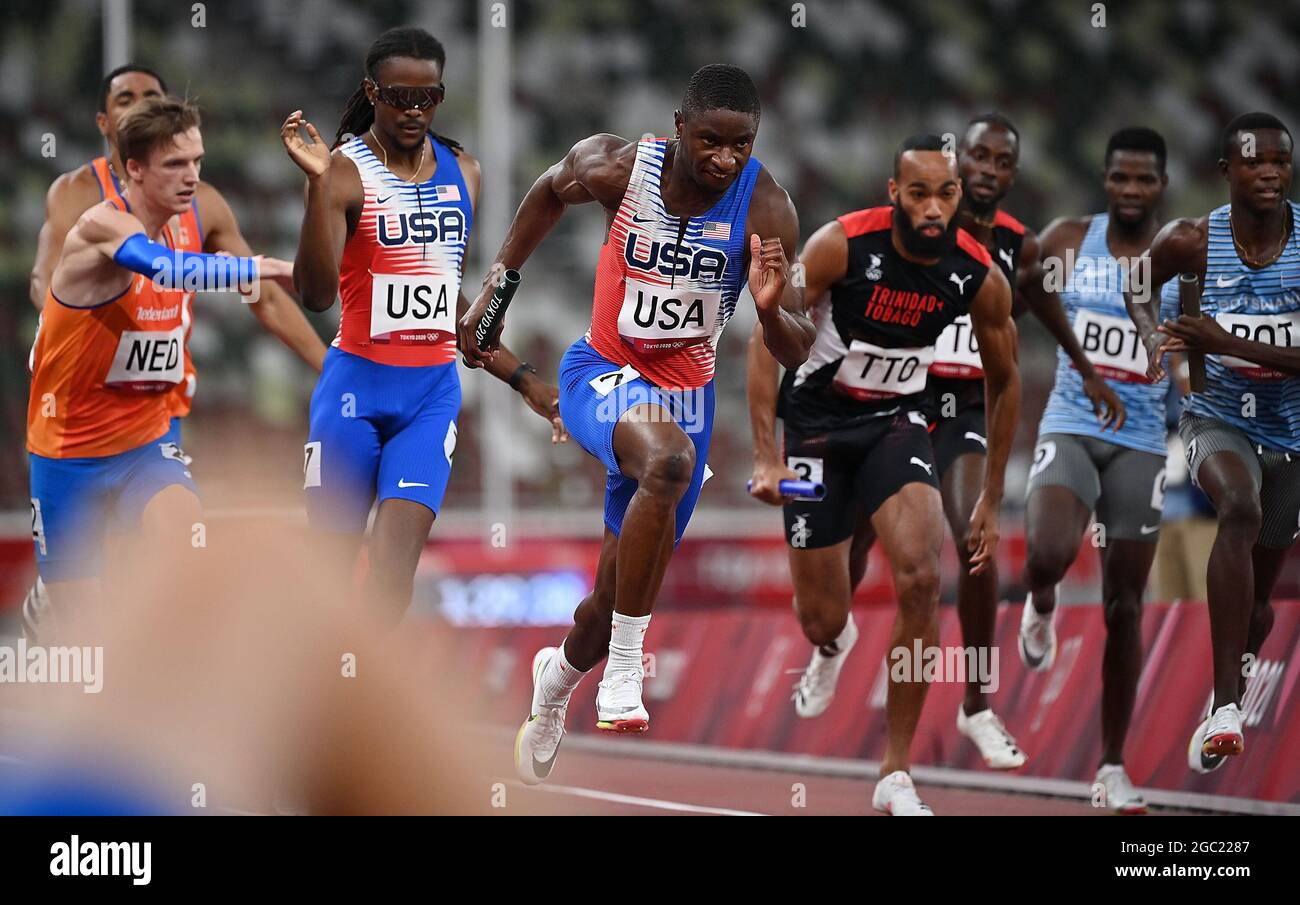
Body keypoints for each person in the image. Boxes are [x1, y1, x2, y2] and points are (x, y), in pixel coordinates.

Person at [458, 64, 814, 785]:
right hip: (600, 372)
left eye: (740, 144)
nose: (724, 158)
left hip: (687, 399)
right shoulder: (618, 166)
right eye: (710, 140)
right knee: (669, 461)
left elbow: (798, 348)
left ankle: (556, 682)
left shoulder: (767, 207)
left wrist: (773, 307)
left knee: (606, 598)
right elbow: (545, 194)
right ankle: (627, 668)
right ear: (678, 126)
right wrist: (496, 286)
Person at [748, 135, 1018, 814]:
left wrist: (990, 493)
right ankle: (834, 644)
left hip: (897, 422)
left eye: (946, 193)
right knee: (820, 614)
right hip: (814, 428)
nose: (934, 207)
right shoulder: (842, 244)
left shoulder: (978, 274)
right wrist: (764, 455)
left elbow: (1006, 380)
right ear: (894, 192)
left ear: (960, 196)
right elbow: (770, 337)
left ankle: (896, 771)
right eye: (919, 192)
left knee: (924, 576)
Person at [20, 64, 328, 641]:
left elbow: (250, 294)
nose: (191, 177)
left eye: (197, 163)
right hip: (67, 450)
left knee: (186, 561)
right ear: (134, 165)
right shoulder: (96, 219)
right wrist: (272, 265)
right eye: (175, 165)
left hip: (148, 437)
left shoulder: (203, 209)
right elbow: (170, 267)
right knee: (84, 646)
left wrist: (328, 363)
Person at [281, 26, 562, 622]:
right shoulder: (343, 171)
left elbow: (447, 299)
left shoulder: (466, 171)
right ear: (371, 92)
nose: (413, 112)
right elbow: (314, 293)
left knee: (390, 579)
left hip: (431, 396)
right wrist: (315, 188)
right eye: (398, 98)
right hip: (355, 388)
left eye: (427, 98)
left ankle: (361, 702)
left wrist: (526, 380)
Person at [1126, 112, 1300, 774]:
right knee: (1238, 506)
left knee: (1258, 605)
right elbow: (1139, 285)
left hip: (1293, 425)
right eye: (1254, 163)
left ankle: (1235, 670)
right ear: (1227, 171)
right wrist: (1152, 341)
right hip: (1217, 413)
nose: (1269, 173)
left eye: (1280, 162)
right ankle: (1227, 706)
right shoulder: (1191, 240)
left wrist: (1223, 342)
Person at [1017, 127, 1173, 812]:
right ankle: (1041, 601)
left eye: (1144, 180)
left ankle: (1112, 765)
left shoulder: (1185, 258)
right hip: (1073, 423)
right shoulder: (1070, 239)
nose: (1131, 191)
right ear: (1106, 180)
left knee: (1125, 603)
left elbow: (1194, 357)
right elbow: (1015, 301)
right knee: (1048, 552)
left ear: (1162, 185)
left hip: (1142, 440)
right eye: (1120, 178)